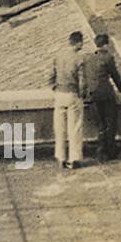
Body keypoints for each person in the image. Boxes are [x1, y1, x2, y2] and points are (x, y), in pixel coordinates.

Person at [84, 32, 121, 161]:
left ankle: (100, 151)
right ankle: (110, 151)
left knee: (100, 124)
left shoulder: (88, 58)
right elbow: (115, 76)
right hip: (106, 94)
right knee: (110, 122)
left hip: (93, 95)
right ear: (106, 45)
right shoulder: (108, 57)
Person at [50, 31, 87, 170]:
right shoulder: (79, 58)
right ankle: (74, 159)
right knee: (75, 128)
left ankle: (60, 157)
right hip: (72, 94)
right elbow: (82, 82)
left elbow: (51, 76)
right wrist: (82, 94)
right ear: (78, 43)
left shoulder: (58, 56)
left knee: (59, 128)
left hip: (59, 94)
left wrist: (55, 88)